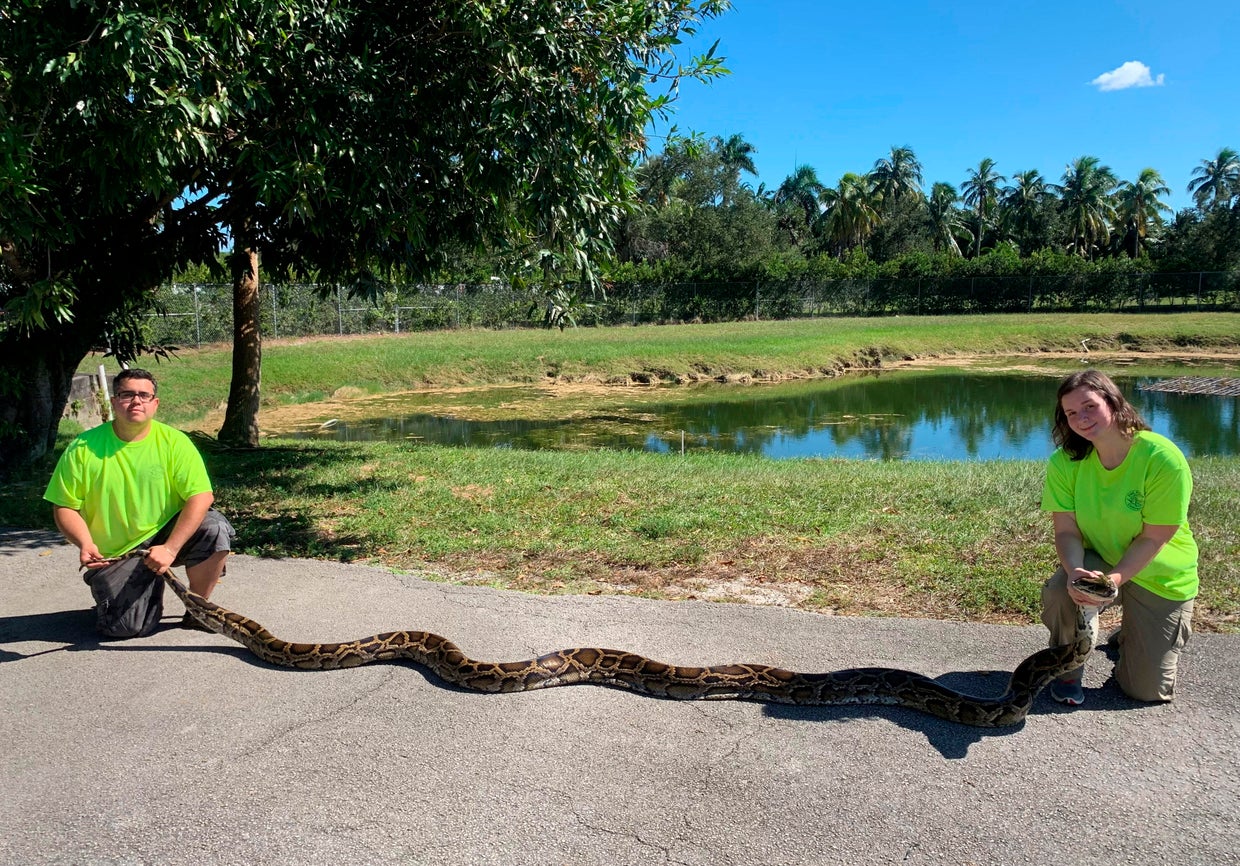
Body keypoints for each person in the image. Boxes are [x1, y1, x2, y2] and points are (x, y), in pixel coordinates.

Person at [1040, 369, 1197, 707]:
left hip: (1160, 573)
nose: (1081, 418)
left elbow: (1155, 537)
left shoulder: (1161, 458)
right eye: (1071, 413)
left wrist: (1112, 581)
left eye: (1089, 406)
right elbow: (1066, 530)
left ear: (1113, 402)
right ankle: (1067, 671)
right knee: (1059, 592)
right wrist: (1074, 572)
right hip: (1101, 560)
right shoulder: (1066, 462)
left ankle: (1128, 636)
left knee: (1145, 691)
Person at [43, 368, 235, 637]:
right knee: (126, 629)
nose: (136, 401)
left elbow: (201, 496)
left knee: (214, 527)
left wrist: (169, 549)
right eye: (127, 394)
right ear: (113, 401)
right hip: (118, 553)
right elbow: (64, 506)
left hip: (165, 536)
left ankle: (199, 610)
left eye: (144, 395)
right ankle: (127, 593)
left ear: (155, 403)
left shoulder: (174, 442)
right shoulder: (83, 447)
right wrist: (85, 543)